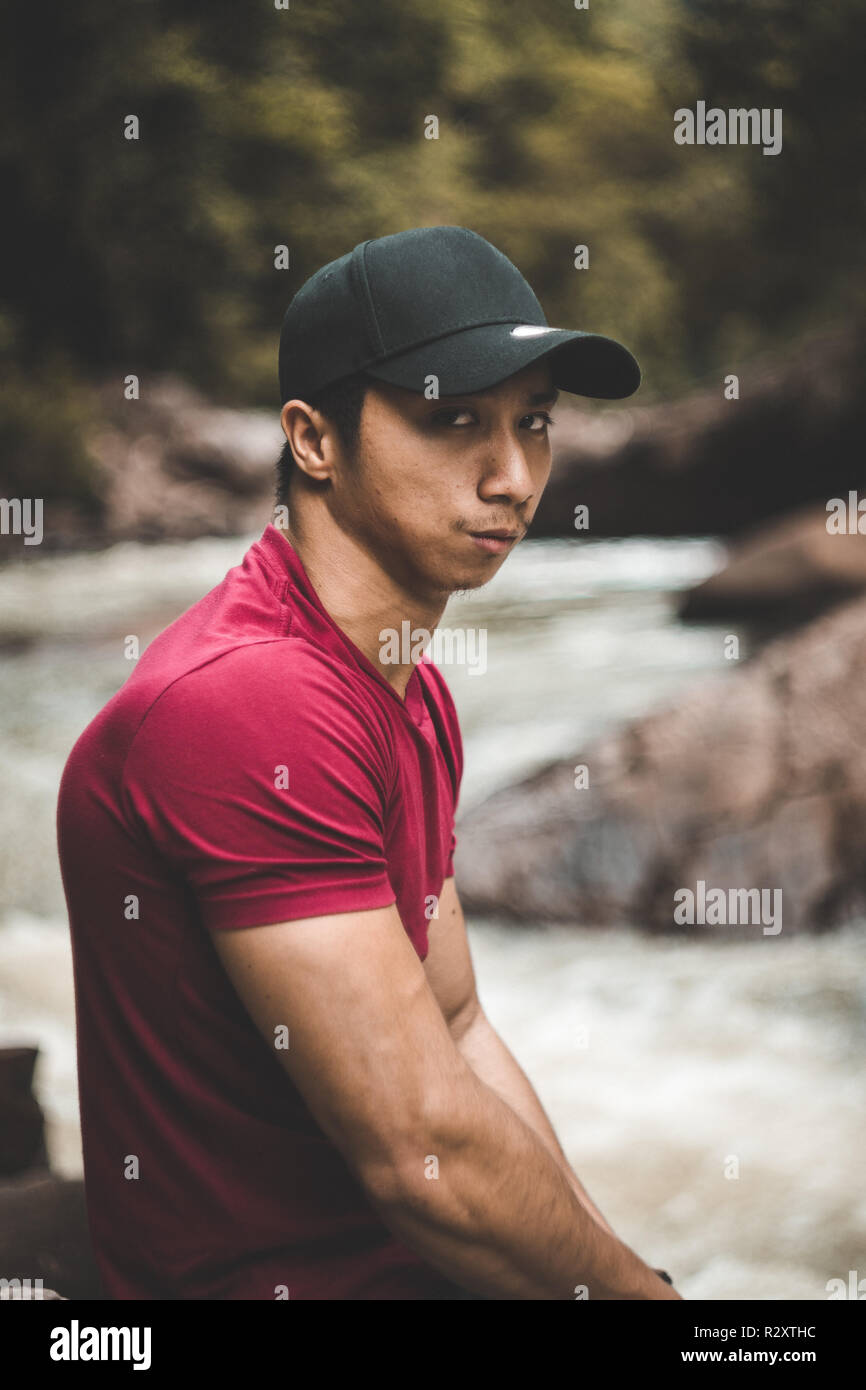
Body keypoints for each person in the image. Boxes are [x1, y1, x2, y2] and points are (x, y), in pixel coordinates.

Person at [56, 225, 682, 1300]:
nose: (511, 475)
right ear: (313, 440)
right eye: (452, 423)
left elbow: (458, 1028)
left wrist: (636, 1282)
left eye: (532, 425)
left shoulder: (403, 684)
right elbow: (424, 1158)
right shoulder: (251, 703)